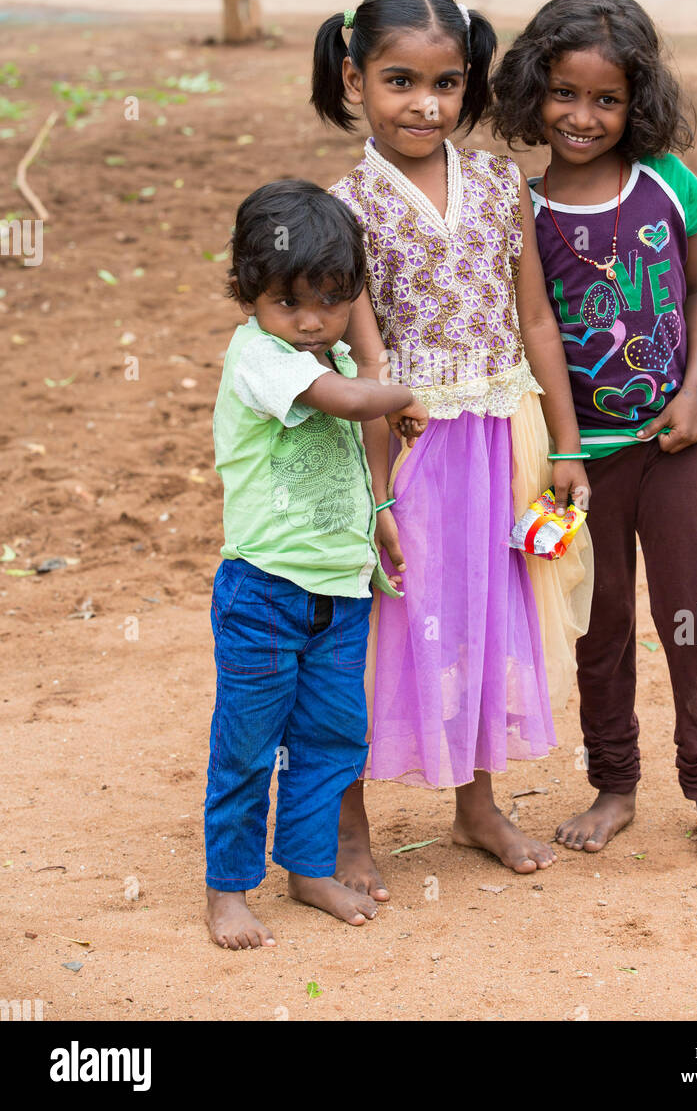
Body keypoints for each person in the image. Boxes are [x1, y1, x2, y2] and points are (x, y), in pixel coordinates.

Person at [310, 0, 594, 900]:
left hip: (499, 441)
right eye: (399, 81)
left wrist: (566, 439)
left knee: (477, 615)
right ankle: (348, 824)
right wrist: (380, 492)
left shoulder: (505, 185)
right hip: (406, 445)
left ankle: (476, 802)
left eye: (445, 82)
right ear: (354, 78)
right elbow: (365, 351)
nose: (425, 104)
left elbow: (537, 319)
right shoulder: (343, 206)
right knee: (381, 627)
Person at [491, 0, 697, 856]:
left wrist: (695, 393)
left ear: (639, 103)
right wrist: (564, 448)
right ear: (534, 88)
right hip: (582, 466)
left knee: (693, 616)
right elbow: (535, 334)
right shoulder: (523, 210)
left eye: (608, 99)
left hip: (673, 449)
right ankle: (614, 784)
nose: (583, 115)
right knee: (599, 628)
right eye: (565, 93)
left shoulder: (668, 186)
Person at [205, 179, 428, 948]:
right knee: (246, 746)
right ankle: (228, 891)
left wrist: (376, 388)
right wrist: (396, 391)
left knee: (332, 740)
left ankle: (307, 869)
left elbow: (350, 391)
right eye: (287, 304)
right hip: (263, 594)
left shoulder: (327, 351)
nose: (309, 322)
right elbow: (340, 398)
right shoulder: (262, 358)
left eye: (330, 302)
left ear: (352, 294)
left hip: (341, 591)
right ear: (247, 295)